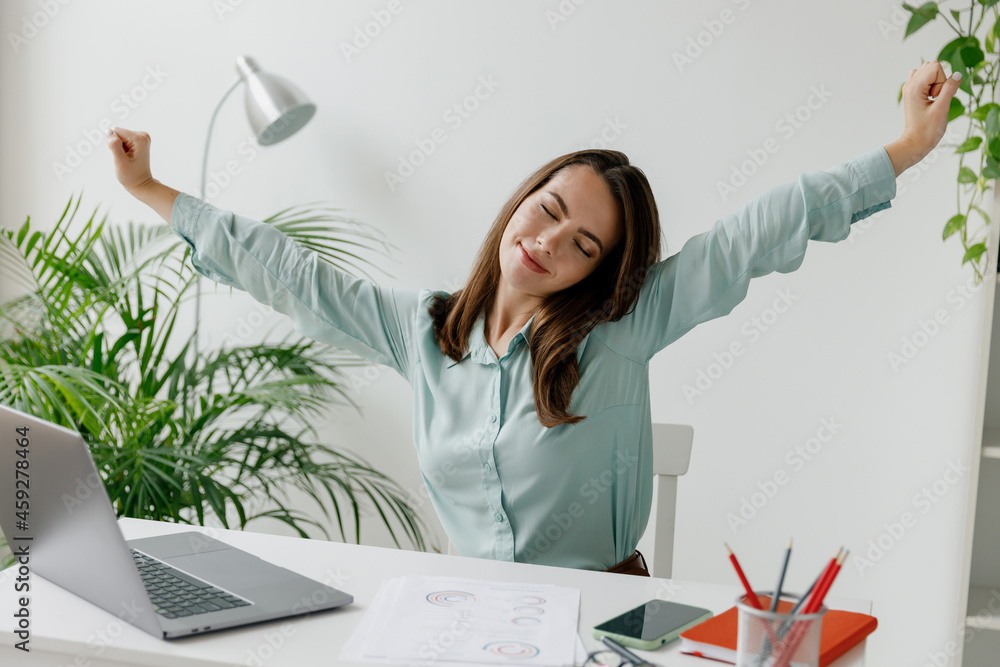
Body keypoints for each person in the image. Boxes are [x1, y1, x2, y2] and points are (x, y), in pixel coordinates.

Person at [106, 62, 958, 577]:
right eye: (547, 209)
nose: (549, 241)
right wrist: (153, 190)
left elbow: (757, 232)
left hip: (602, 617)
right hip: (466, 618)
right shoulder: (423, 330)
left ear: (601, 270)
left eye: (583, 242)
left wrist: (907, 148)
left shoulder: (624, 328)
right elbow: (292, 274)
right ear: (521, 199)